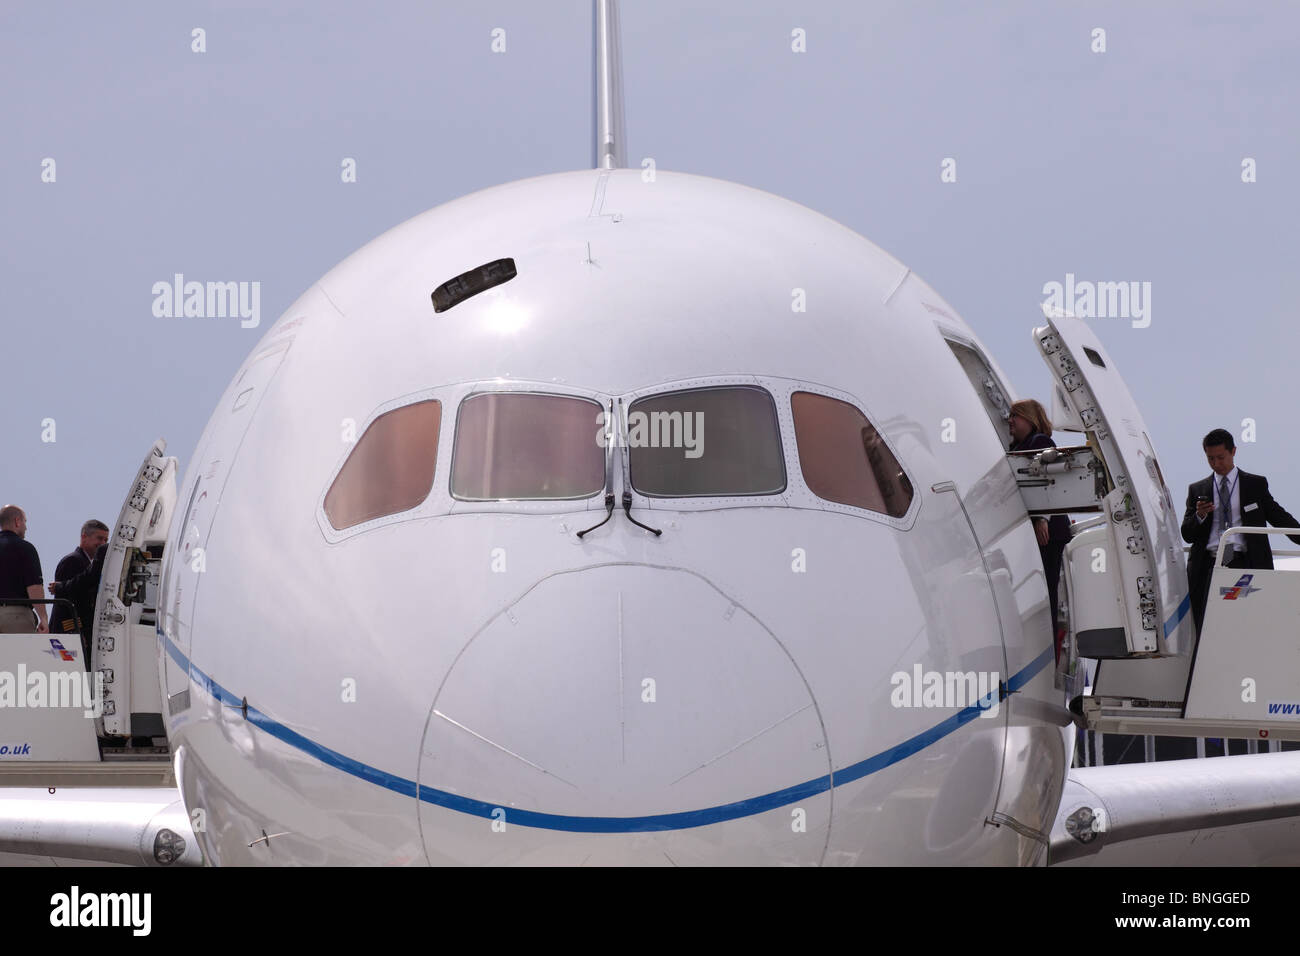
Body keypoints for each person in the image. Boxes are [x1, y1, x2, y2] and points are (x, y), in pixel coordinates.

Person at [1181, 428, 1300, 636]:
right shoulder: (1197, 490)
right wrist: (1199, 516)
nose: (1216, 464)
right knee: (1207, 627)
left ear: (1233, 451)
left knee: (1251, 624)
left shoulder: (1255, 484)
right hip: (1207, 566)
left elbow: (1278, 516)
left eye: (1221, 457)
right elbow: (1187, 534)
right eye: (1210, 459)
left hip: (1247, 562)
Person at [1008, 399, 1071, 645]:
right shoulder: (1020, 445)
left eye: (1016, 415)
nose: (1010, 420)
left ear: (1030, 418)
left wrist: (1042, 518)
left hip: (1047, 531)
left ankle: (1048, 645)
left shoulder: (1040, 443)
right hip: (1035, 530)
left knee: (1047, 592)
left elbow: (1050, 481)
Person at [50, 519, 110, 651]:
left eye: (106, 540)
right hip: (70, 634)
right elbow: (69, 600)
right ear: (84, 537)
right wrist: (77, 631)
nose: (102, 543)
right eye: (99, 538)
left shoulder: (90, 565)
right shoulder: (73, 561)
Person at [0, 505, 48, 634]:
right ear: (17, 521)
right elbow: (34, 587)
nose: (26, 527)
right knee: (19, 654)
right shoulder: (25, 548)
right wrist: (43, 618)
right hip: (16, 616)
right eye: (25, 522)